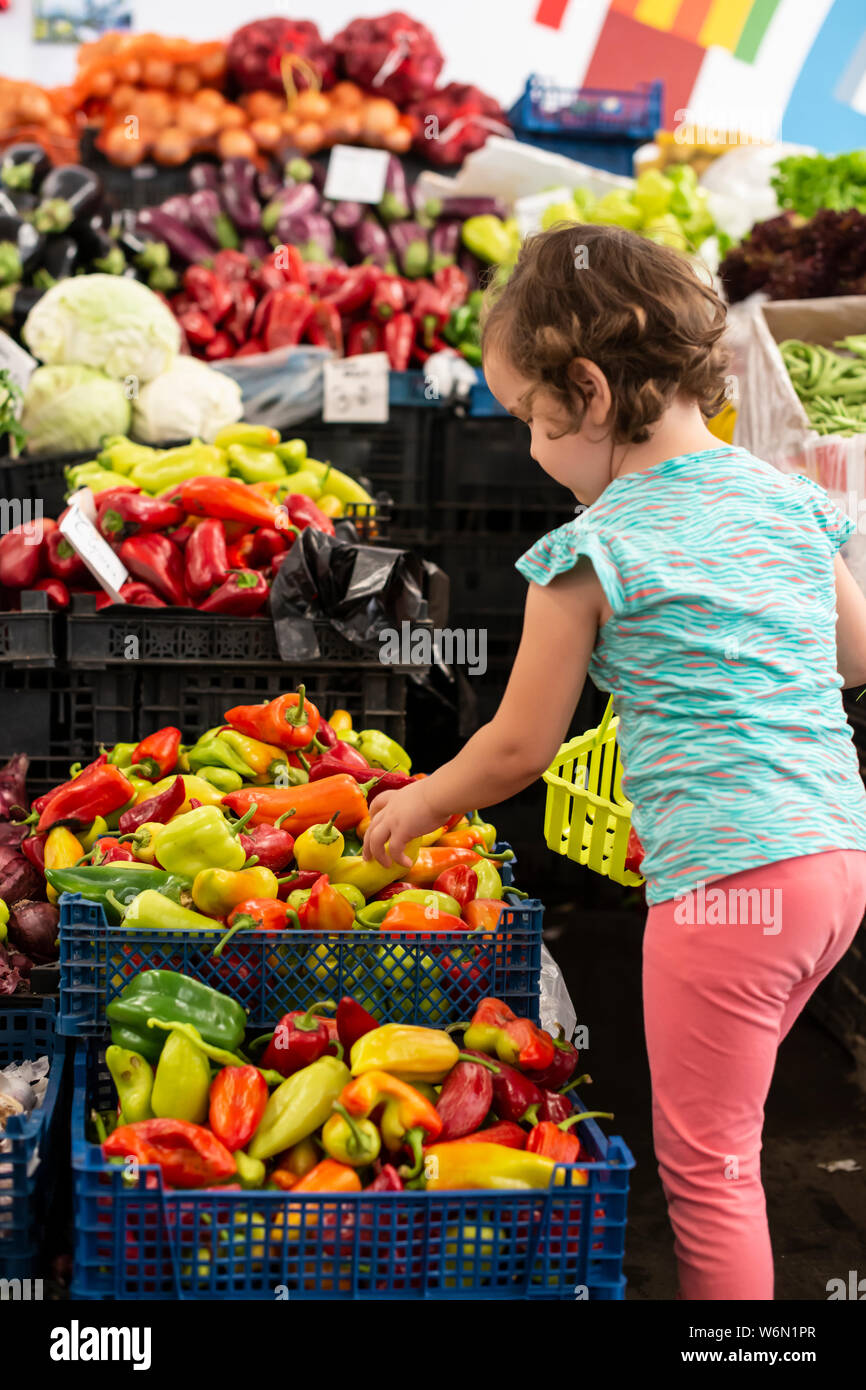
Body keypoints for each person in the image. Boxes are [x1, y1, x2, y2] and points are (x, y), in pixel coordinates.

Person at [361, 223, 866, 1300]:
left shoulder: (589, 548)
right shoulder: (784, 497)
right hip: (833, 868)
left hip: (726, 896)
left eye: (528, 423)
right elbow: (853, 653)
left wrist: (419, 800)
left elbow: (514, 747)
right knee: (743, 1107)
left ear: (586, 393)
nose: (530, 452)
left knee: (710, 1166)